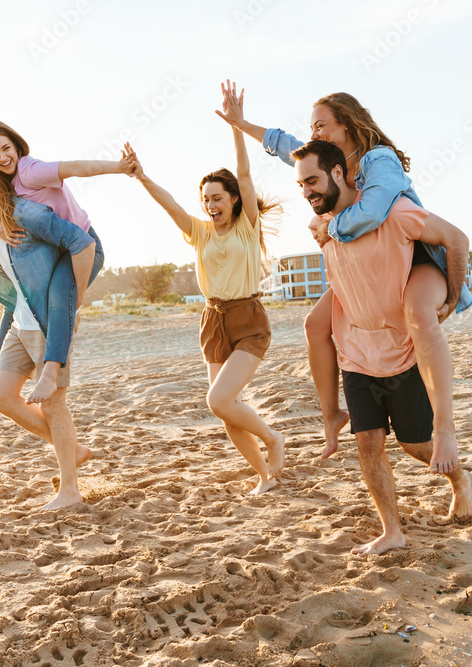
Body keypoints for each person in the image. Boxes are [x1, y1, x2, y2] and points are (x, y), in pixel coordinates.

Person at [216, 84, 472, 473]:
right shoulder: (330, 162)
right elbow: (287, 147)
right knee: (315, 324)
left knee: (419, 313)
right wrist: (240, 123)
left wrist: (328, 227)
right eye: (312, 127)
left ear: (347, 124)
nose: (313, 133)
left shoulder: (379, 160)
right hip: (370, 265)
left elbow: (371, 212)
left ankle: (445, 427)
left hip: (416, 255)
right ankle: (332, 414)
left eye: (321, 125)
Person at [294, 140, 472, 554]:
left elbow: (456, 238)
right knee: (368, 444)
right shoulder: (324, 225)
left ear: (338, 172)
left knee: (415, 446)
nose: (306, 192)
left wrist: (450, 298)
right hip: (356, 353)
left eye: (312, 181)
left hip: (403, 352)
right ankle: (392, 531)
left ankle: (459, 478)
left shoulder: (394, 212)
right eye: (301, 184)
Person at [123, 85, 285, 495]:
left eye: (217, 198)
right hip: (213, 320)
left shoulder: (247, 226)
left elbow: (244, 175)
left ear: (233, 200)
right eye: (206, 199)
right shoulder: (199, 232)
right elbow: (170, 205)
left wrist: (236, 126)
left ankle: (273, 438)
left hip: (248, 319)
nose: (211, 205)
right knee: (227, 410)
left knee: (218, 400)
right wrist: (142, 176)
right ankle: (264, 476)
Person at [0, 150, 97, 511]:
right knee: (2, 397)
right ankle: (73, 450)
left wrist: (75, 298)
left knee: (54, 405)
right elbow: (15, 288)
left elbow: (81, 241)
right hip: (20, 322)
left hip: (47, 322)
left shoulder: (26, 213)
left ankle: (70, 490)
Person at [0, 120, 132, 403]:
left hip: (83, 246)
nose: (3, 158)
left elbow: (76, 168)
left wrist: (119, 166)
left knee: (60, 297)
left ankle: (50, 375)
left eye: (6, 148)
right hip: (58, 247)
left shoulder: (29, 171)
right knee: (19, 294)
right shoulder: (3, 181)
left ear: (17, 146)